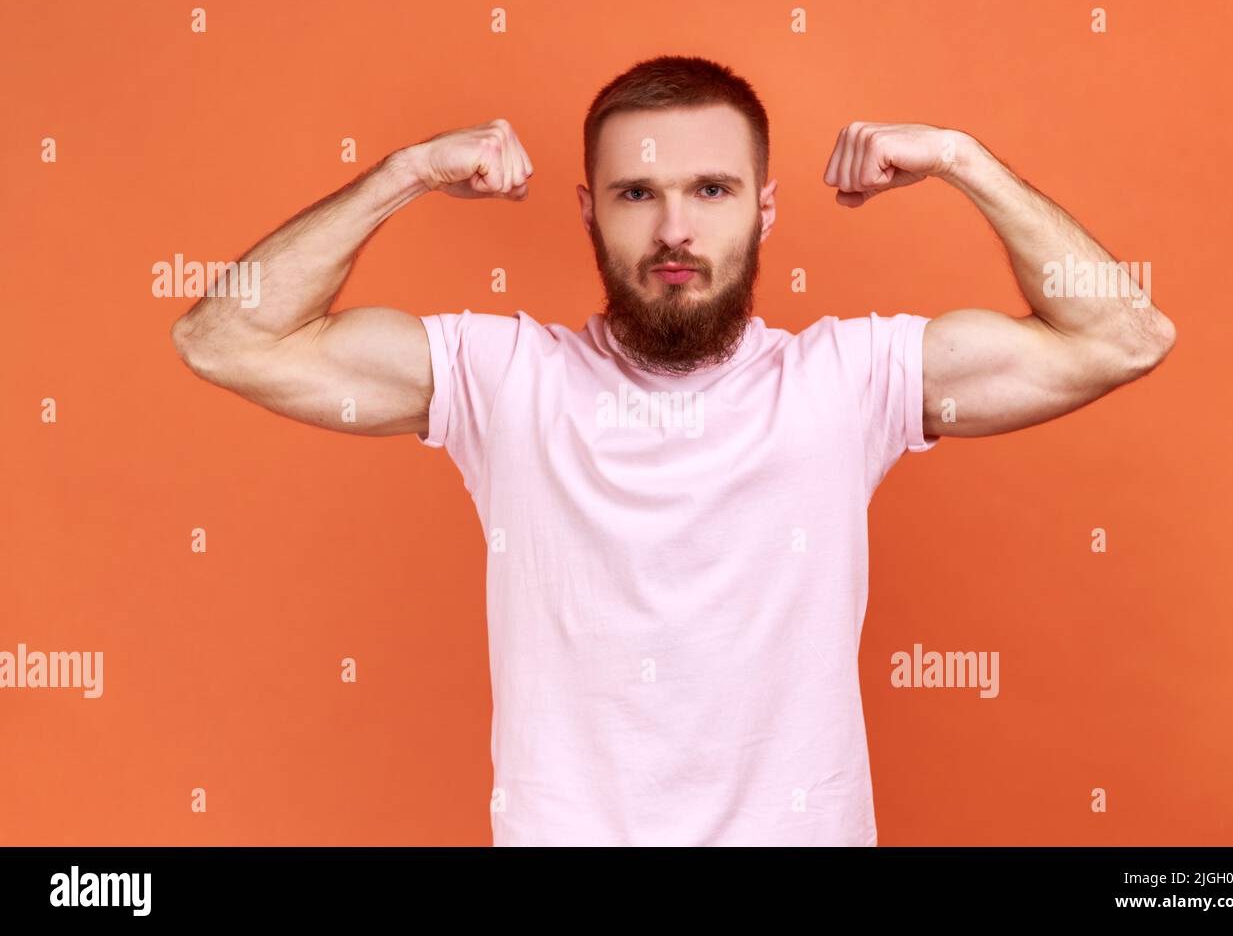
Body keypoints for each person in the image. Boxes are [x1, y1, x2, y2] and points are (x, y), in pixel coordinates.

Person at [170, 54, 1175, 846]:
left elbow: (1122, 338)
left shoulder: (845, 382)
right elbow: (224, 339)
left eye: (710, 189)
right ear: (588, 211)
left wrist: (961, 157)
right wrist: (407, 173)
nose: (675, 230)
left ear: (765, 210)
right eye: (637, 194)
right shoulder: (505, 380)